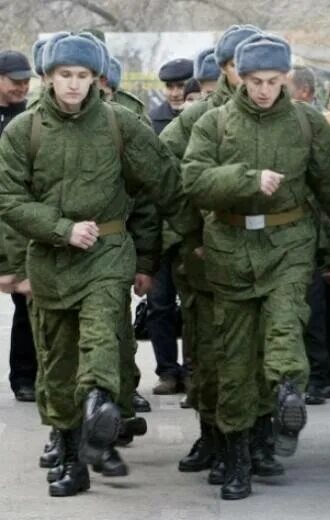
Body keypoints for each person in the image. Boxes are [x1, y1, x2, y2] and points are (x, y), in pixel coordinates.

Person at [0, 32, 198, 497]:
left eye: (82, 76)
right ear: (49, 78)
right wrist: (58, 228)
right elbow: (7, 197)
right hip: (49, 259)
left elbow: (165, 182)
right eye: (65, 75)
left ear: (96, 79)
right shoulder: (22, 131)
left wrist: (195, 238)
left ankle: (100, 406)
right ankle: (73, 457)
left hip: (106, 255)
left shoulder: (119, 125)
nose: (73, 85)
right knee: (57, 361)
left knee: (101, 336)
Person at [182, 33, 330, 500]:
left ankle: (287, 393)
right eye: (255, 80)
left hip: (288, 242)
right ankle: (238, 458)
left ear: (287, 79)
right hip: (230, 246)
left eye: (273, 81)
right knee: (235, 358)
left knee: (285, 323)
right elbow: (193, 181)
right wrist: (245, 179)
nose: (263, 89)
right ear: (238, 76)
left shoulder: (306, 124)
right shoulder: (213, 122)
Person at [160, 24, 268, 485]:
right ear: (225, 68)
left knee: (261, 352)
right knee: (209, 355)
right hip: (207, 258)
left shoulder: (281, 113)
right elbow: (168, 181)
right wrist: (191, 235)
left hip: (267, 256)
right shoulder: (197, 117)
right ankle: (214, 436)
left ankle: (256, 439)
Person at [146, 57, 195, 397]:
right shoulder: (154, 121)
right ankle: (167, 370)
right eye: (171, 87)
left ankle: (192, 370)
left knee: (193, 305)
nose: (176, 93)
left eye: (182, 87)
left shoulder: (205, 120)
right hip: (161, 229)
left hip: (191, 228)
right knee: (159, 304)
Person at [0, 50, 36, 403]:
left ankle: (25, 377)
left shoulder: (30, 120)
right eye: (15, 81)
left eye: (26, 81)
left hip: (15, 224)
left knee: (27, 305)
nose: (22, 87)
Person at [149, 58, 193, 135]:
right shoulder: (152, 120)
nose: (174, 94)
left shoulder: (207, 116)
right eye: (169, 87)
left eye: (181, 86)